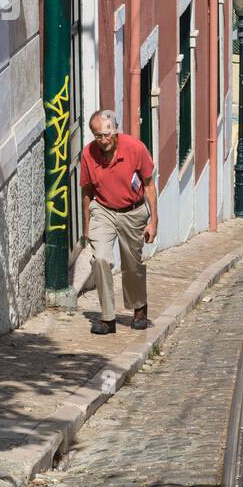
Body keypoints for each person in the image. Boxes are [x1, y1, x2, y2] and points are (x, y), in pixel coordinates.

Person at [80, 109, 158, 334]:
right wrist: (86, 226)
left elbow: (149, 185)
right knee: (100, 259)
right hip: (103, 210)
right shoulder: (88, 154)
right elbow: (86, 192)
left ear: (115, 131)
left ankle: (139, 308)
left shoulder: (135, 148)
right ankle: (107, 318)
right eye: (98, 135)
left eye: (107, 134)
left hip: (132, 211)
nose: (103, 140)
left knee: (132, 265)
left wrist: (154, 221)